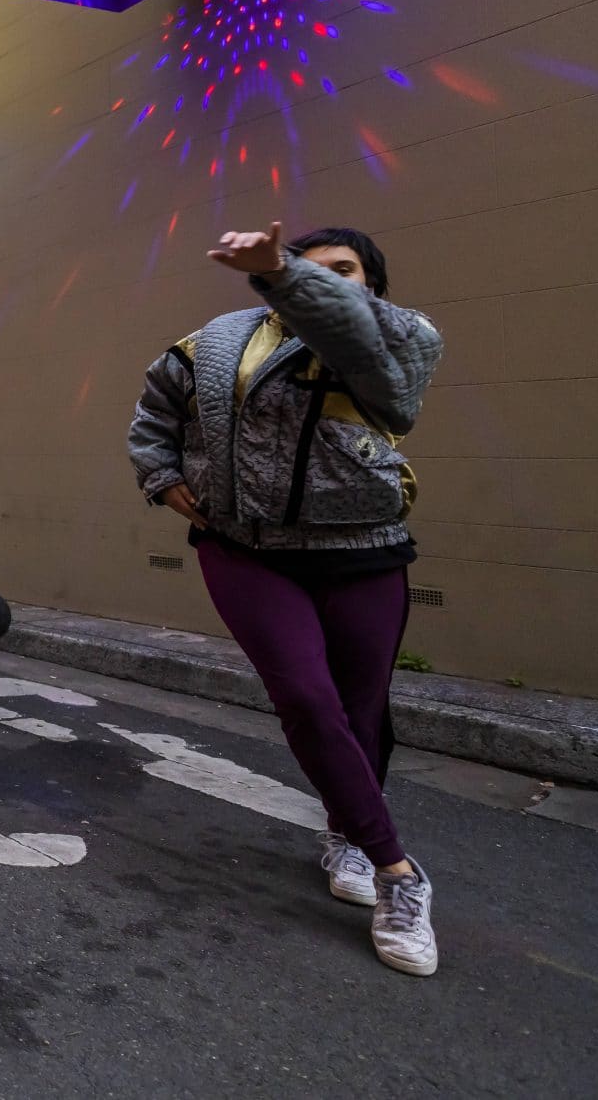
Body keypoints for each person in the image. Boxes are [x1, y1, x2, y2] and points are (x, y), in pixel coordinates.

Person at [128, 222, 445, 977]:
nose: (331, 280)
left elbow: (379, 382)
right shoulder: (218, 340)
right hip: (247, 547)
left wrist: (284, 275)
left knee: (361, 709)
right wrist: (162, 475)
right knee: (307, 698)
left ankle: (345, 830)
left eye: (346, 269)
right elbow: (156, 412)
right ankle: (399, 873)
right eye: (312, 268)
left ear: (372, 282)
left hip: (361, 548)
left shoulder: (403, 336)